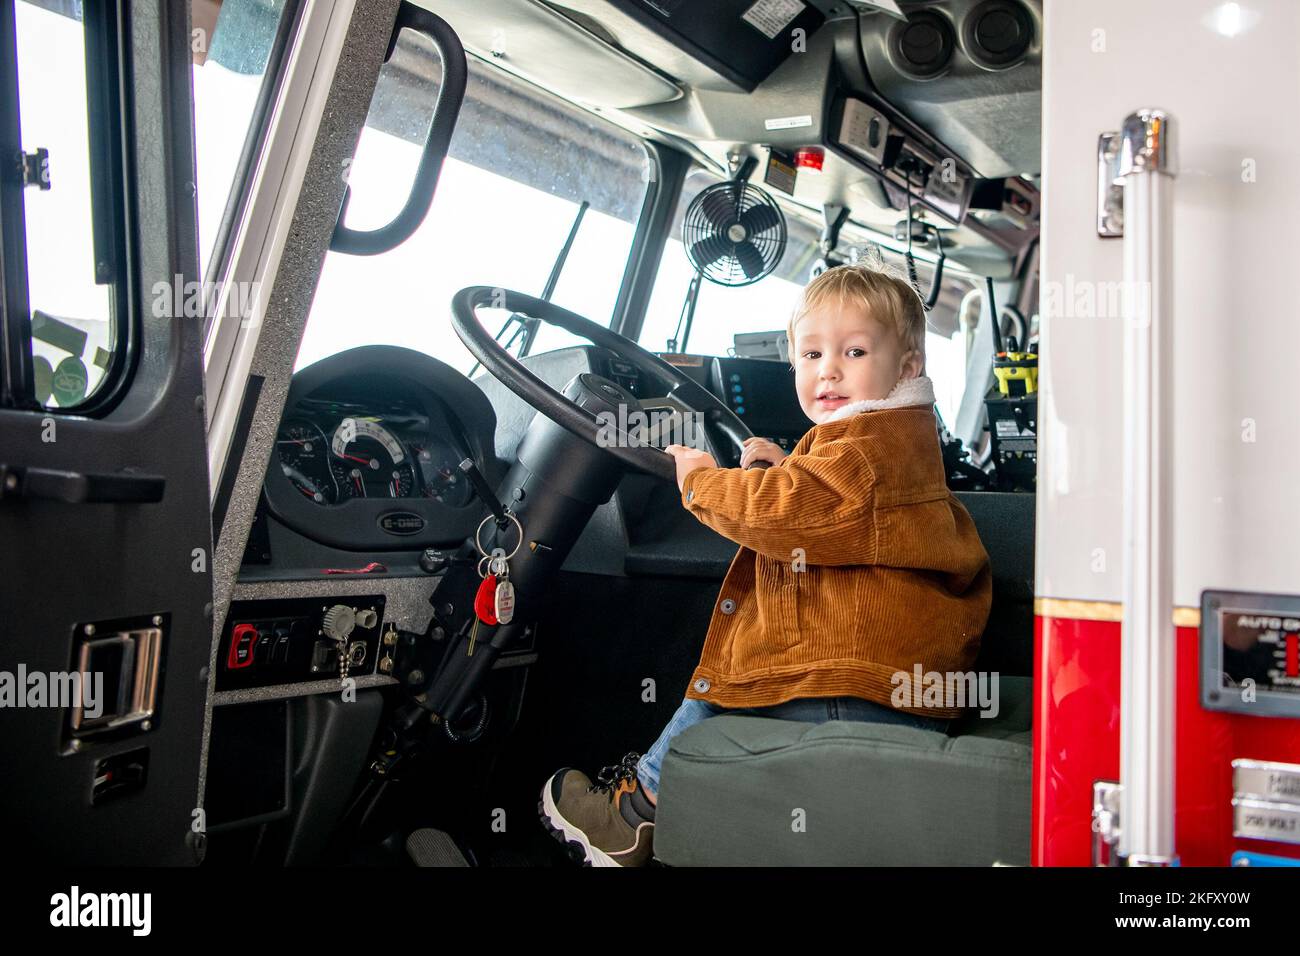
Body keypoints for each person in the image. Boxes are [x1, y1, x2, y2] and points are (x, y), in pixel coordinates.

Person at [537, 263, 993, 866]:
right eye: (810, 354)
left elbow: (791, 512)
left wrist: (703, 481)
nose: (827, 369)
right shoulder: (886, 437)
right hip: (889, 669)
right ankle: (642, 806)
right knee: (740, 661)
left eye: (853, 351)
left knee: (725, 680)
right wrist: (775, 469)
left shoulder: (864, 447)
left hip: (851, 680)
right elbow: (824, 506)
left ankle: (632, 813)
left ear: (908, 366)